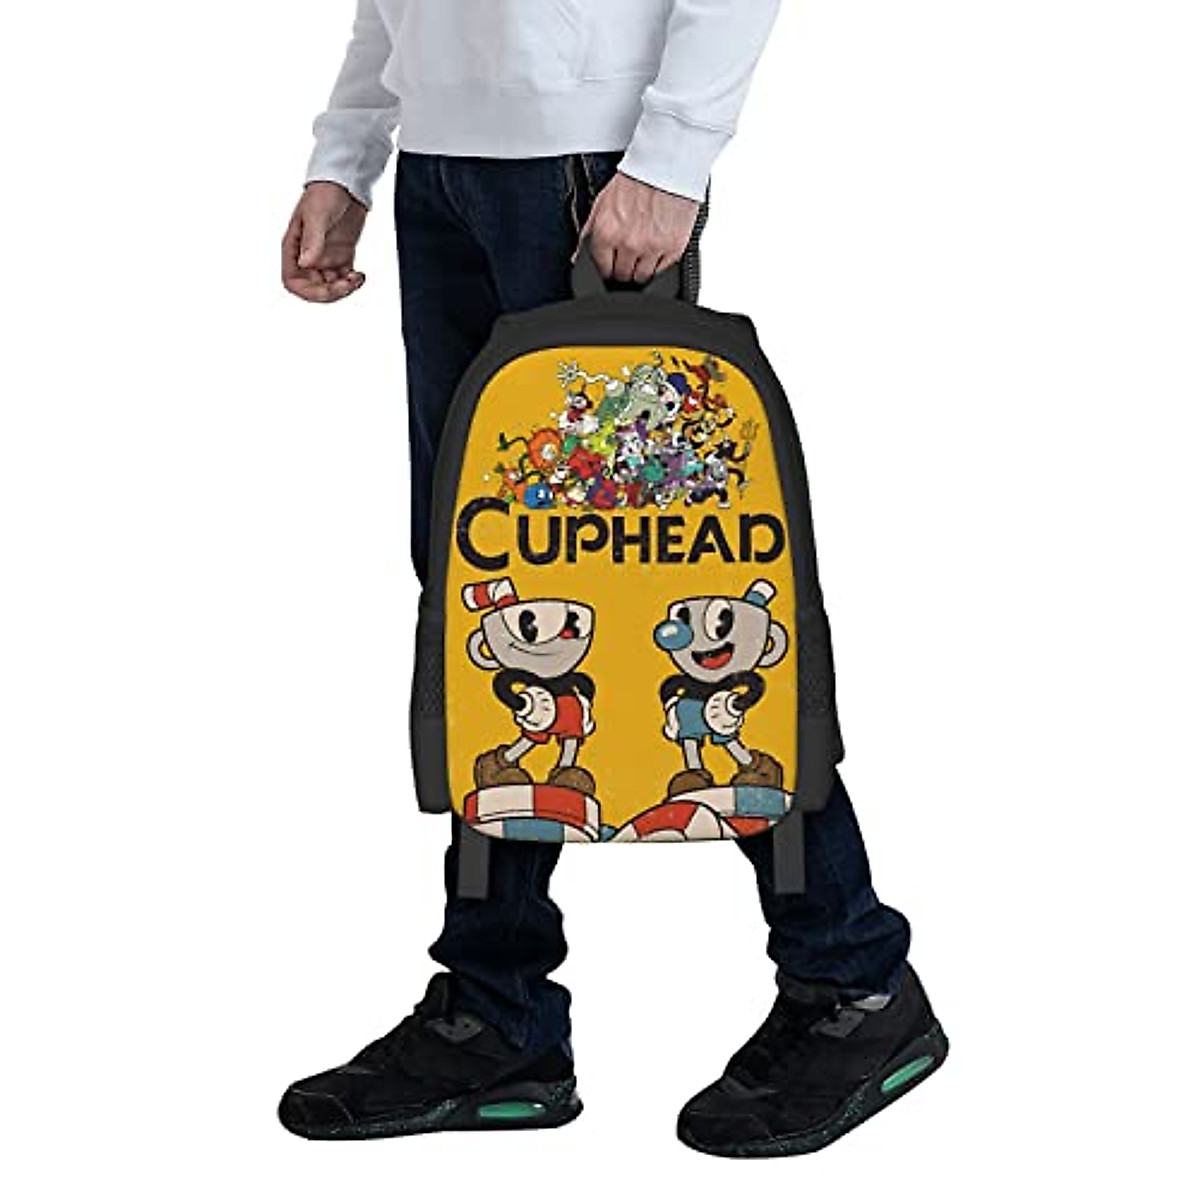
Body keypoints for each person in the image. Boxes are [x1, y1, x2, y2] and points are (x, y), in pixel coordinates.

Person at [278, 0, 947, 1158]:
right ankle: (497, 1014)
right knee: (484, 597)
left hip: (585, 169)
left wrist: (672, 155)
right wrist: (351, 146)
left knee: (676, 590)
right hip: (444, 164)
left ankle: (854, 983)